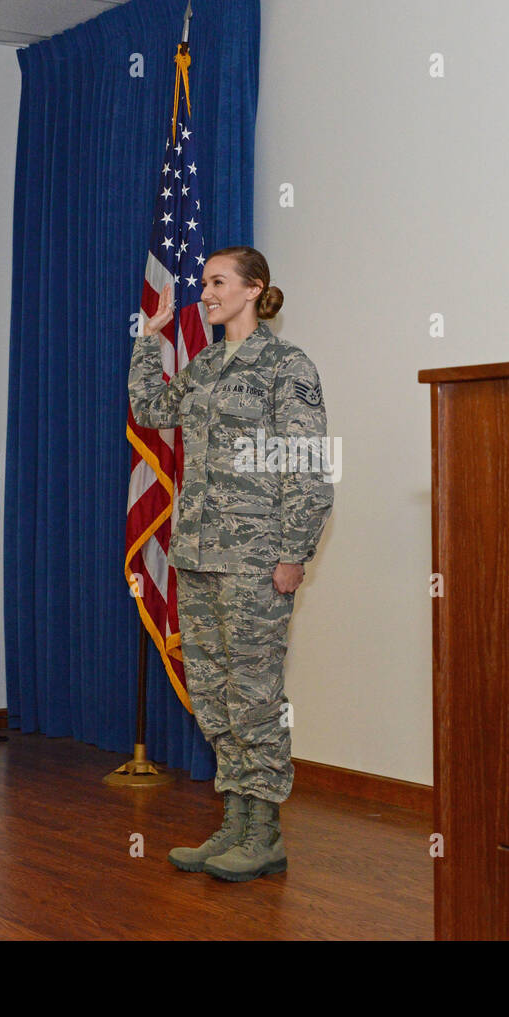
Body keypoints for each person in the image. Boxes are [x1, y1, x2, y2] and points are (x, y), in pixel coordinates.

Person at [128, 246, 333, 882]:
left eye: (218, 283)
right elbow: (151, 412)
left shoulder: (287, 366)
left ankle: (265, 830)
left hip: (255, 562)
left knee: (254, 697)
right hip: (197, 555)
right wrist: (149, 341)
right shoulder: (205, 365)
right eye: (205, 282)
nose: (206, 292)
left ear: (254, 290)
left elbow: (308, 466)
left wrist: (293, 553)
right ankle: (235, 823)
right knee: (214, 695)